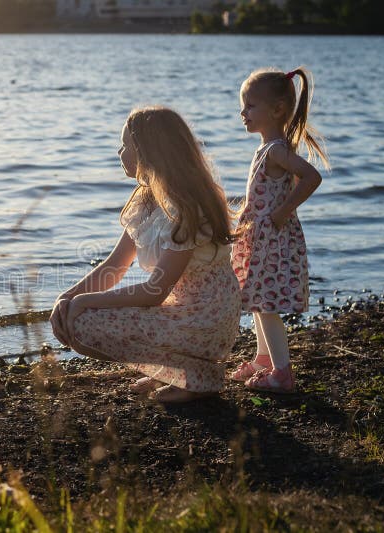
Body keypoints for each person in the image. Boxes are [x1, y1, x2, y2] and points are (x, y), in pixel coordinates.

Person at [50, 106, 241, 403]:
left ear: (148, 152)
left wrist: (85, 302)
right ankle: (177, 371)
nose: (119, 152)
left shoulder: (186, 208)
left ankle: (197, 377)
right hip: (180, 310)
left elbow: (154, 291)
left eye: (125, 145)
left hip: (206, 319)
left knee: (83, 324)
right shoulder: (147, 198)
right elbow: (115, 266)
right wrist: (67, 298)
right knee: (73, 319)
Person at [229, 67, 329, 393]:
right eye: (243, 106)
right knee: (257, 300)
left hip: (271, 240)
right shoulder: (267, 148)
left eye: (250, 106)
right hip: (260, 237)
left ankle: (282, 373)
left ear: (277, 110)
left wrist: (283, 211)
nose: (243, 112)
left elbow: (312, 177)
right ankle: (264, 359)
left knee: (266, 304)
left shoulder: (275, 150)